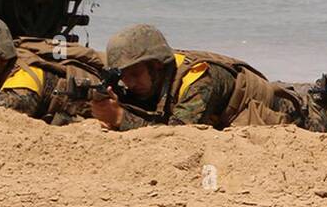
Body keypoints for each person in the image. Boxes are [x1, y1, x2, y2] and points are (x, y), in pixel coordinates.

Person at [90, 24, 304, 131]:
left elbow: (178, 135)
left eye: (135, 74)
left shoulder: (201, 79)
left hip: (299, 116)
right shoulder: (162, 76)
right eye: (123, 77)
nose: (129, 83)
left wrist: (120, 118)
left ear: (156, 66)